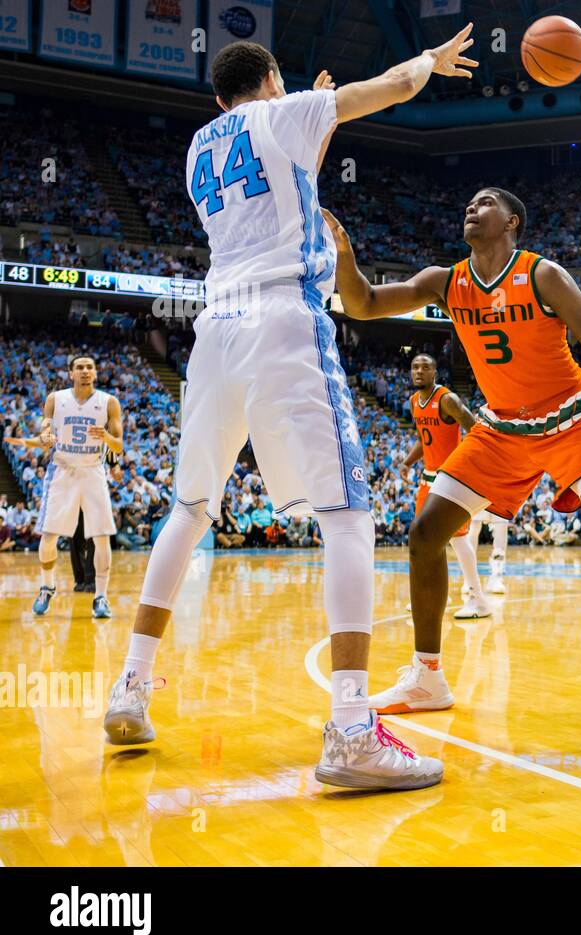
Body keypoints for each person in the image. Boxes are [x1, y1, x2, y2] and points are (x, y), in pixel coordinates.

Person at [99, 29, 480, 794]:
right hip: (283, 321)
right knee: (348, 515)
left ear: (218, 97)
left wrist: (314, 116)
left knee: (189, 507)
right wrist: (425, 65)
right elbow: (391, 91)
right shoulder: (286, 113)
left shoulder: (199, 147)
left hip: (214, 332)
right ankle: (349, 728)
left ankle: (131, 689)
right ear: (274, 79)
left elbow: (275, 170)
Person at [325, 185, 581, 734]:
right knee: (427, 531)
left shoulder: (542, 274)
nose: (471, 208)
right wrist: (344, 257)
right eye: (467, 202)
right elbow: (363, 304)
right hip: (501, 424)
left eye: (484, 202)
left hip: (569, 416)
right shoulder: (445, 281)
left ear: (513, 221)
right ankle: (427, 676)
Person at [5, 355, 123, 619]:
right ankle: (47, 587)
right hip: (62, 471)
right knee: (48, 537)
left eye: (89, 367)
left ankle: (101, 597)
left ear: (95, 373)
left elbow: (118, 446)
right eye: (79, 367)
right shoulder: (55, 399)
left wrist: (105, 436)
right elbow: (46, 431)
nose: (84, 371)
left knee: (102, 537)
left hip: (93, 471)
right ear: (70, 372)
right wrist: (44, 436)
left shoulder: (109, 403)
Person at [395, 352, 488, 621]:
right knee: (421, 537)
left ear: (435, 372)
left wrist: (465, 466)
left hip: (451, 479)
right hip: (428, 478)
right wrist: (407, 462)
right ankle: (434, 594)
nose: (419, 372)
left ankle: (477, 599)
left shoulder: (447, 400)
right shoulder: (415, 401)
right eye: (414, 367)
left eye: (425, 367)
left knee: (458, 539)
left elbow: (475, 430)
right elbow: (425, 439)